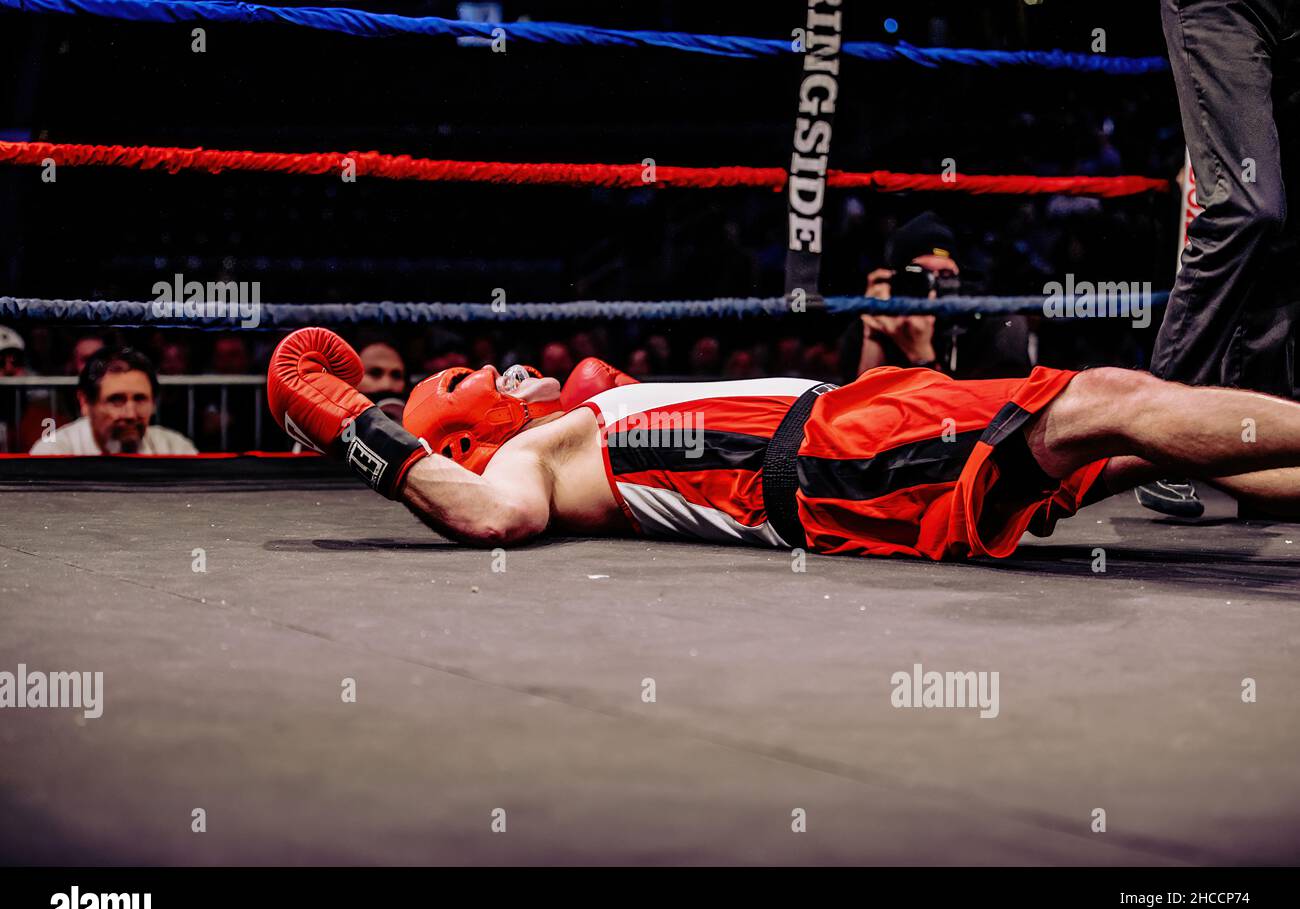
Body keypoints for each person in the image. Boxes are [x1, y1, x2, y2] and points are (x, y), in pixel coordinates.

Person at [267, 328, 1300, 560]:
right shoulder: (525, 459)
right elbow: (487, 512)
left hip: (858, 423)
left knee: (1141, 440)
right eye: (468, 382)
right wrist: (347, 420)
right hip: (837, 457)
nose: (499, 370)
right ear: (462, 430)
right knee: (1109, 401)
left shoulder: (591, 407)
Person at [1139, 0, 1300, 519]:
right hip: (1227, 6)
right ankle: (1157, 436)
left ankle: (1256, 458)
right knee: (1247, 205)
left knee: (1290, 229)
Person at [837, 212, 1030, 383]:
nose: (933, 288)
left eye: (945, 276)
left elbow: (991, 417)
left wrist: (920, 356)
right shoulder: (873, 324)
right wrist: (874, 334)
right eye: (921, 276)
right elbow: (859, 410)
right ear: (896, 281)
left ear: (959, 278)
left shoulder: (993, 324)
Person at [30, 346, 197, 455]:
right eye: (116, 400)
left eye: (140, 399)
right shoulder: (54, 453)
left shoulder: (175, 449)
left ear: (153, 403)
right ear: (85, 402)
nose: (131, 414)